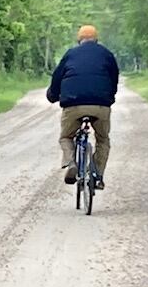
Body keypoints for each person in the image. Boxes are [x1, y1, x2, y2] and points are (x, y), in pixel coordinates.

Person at [46, 24, 120, 188]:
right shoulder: (106, 54)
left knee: (66, 137)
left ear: (79, 40)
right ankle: (97, 175)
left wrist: (52, 95)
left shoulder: (70, 54)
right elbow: (114, 78)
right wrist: (110, 95)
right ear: (96, 40)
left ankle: (71, 162)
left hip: (73, 105)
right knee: (103, 140)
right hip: (101, 105)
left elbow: (57, 78)